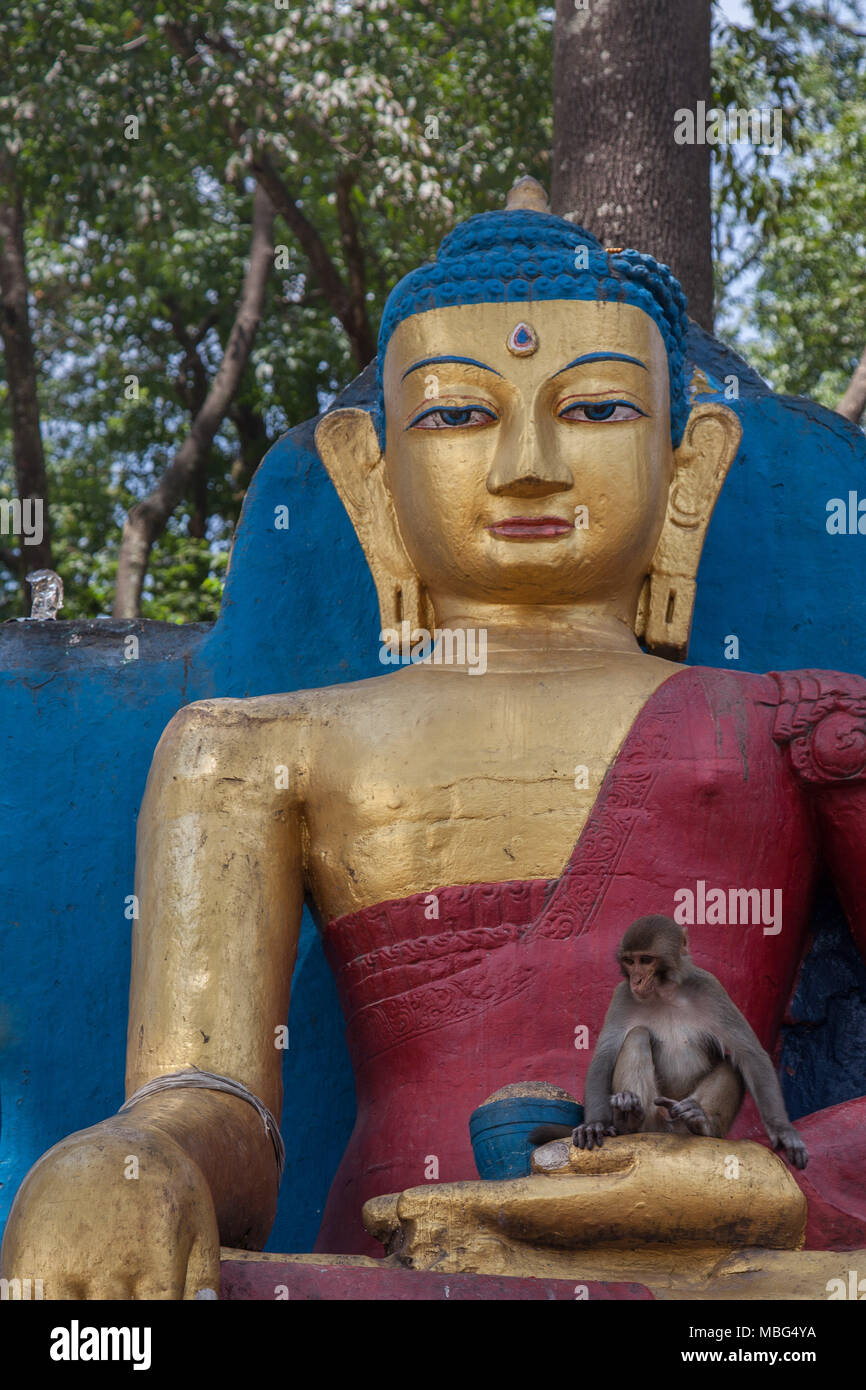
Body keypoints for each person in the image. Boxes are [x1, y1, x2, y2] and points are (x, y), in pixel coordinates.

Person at [3, 193, 865, 1298]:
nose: (525, 465)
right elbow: (212, 1101)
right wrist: (135, 1163)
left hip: (726, 1276)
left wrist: (767, 1185)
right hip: (412, 1270)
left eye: (595, 408)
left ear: (687, 465)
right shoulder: (250, 749)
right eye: (456, 417)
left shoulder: (799, 726)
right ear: (370, 477)